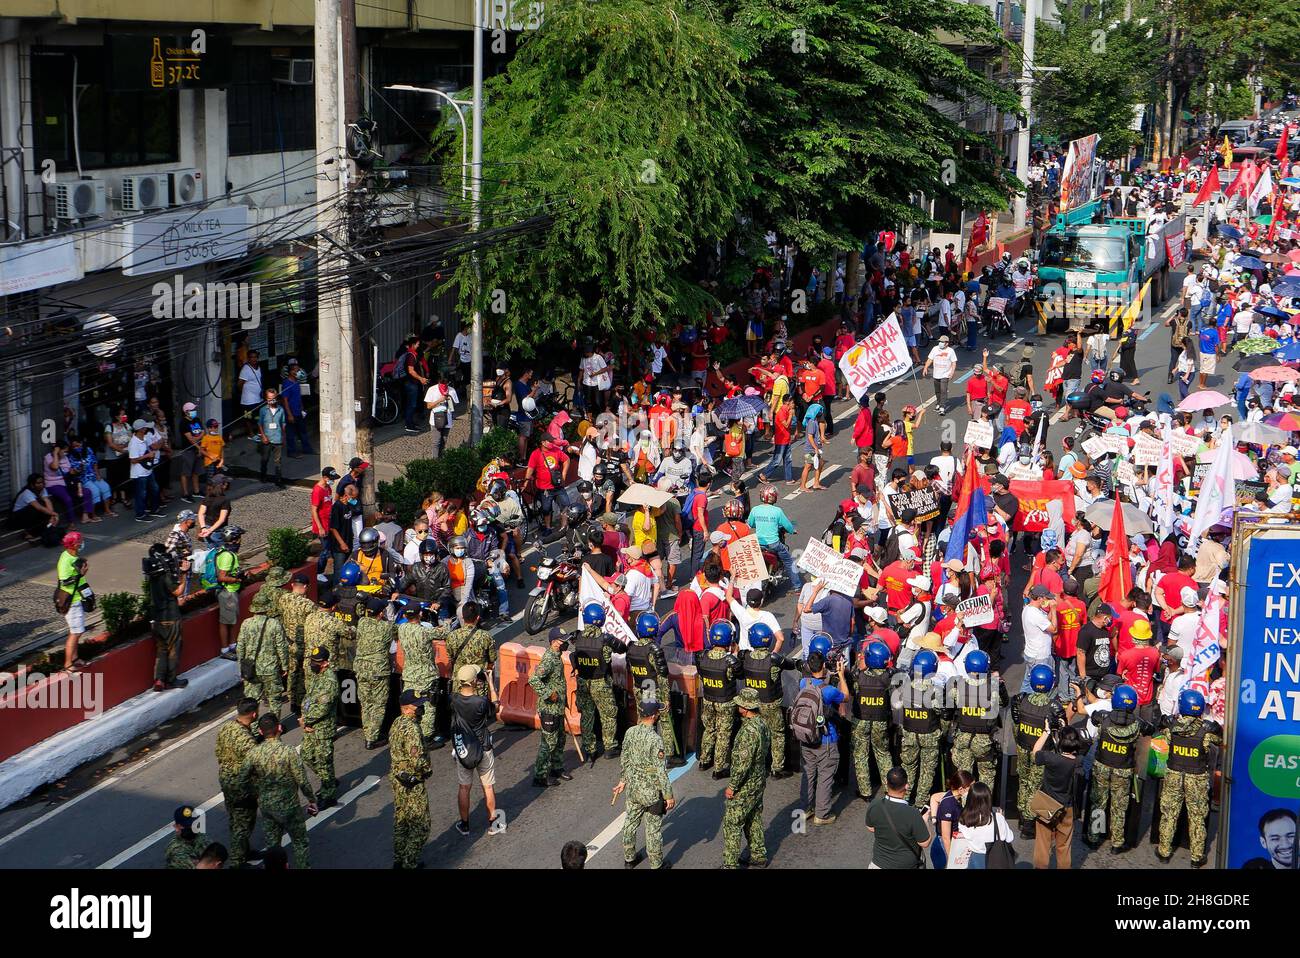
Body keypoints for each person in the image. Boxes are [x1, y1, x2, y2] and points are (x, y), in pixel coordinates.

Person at [236, 713, 318, 869]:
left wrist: (256, 793)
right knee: (300, 842)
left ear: (260, 732)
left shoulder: (254, 753)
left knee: (272, 845)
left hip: (267, 806)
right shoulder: (288, 751)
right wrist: (311, 800)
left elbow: (242, 778)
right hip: (290, 807)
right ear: (279, 728)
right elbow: (302, 780)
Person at [1155, 688, 1222, 867]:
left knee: (1169, 814)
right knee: (1197, 817)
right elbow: (1220, 737)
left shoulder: (1171, 727)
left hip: (1174, 775)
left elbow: (1159, 727)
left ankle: (1163, 851)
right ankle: (1197, 857)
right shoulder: (1206, 731)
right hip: (1197, 777)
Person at [1082, 683, 1150, 853]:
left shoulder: (1103, 718)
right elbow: (1151, 729)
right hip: (1123, 769)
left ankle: (1093, 837)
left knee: (1099, 802)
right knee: (1119, 806)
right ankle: (1117, 843)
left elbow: (1093, 717)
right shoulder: (1137, 724)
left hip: (1102, 766)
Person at [614, 698, 676, 869]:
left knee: (630, 823)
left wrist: (622, 780)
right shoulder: (655, 740)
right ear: (655, 716)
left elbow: (625, 759)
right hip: (651, 794)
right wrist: (669, 796)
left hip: (633, 789)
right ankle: (656, 864)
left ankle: (629, 859)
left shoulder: (630, 732)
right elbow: (661, 771)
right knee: (653, 829)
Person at [1010, 664, 1067, 837]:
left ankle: (1022, 815)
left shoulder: (1021, 700)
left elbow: (1016, 725)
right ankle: (1028, 825)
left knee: (1024, 782)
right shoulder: (1054, 707)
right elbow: (1063, 731)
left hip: (1022, 747)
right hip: (1042, 753)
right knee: (1035, 786)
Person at [737, 622, 798, 777]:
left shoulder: (745, 656)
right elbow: (792, 665)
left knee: (752, 735)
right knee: (777, 734)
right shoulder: (774, 660)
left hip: (752, 705)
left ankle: (754, 763)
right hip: (771, 704)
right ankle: (777, 768)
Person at [722, 688, 771, 869]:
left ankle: (730, 864)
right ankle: (758, 855)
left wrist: (732, 787)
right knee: (753, 817)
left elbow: (743, 764)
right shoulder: (762, 724)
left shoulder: (748, 731)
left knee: (732, 824)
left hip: (746, 784)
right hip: (758, 779)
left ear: (745, 707)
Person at [572, 603, 628, 762]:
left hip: (583, 681)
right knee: (608, 714)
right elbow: (622, 648)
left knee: (587, 715)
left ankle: (589, 748)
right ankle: (610, 747)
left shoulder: (577, 637)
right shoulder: (605, 639)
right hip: (600, 682)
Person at [627, 612, 683, 767]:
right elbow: (662, 676)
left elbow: (631, 670)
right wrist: (666, 699)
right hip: (653, 688)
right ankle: (670, 755)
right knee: (665, 720)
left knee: (643, 719)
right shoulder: (654, 650)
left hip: (639, 687)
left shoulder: (631, 647)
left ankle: (641, 749)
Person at [214, 698, 261, 869]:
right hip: (242, 785)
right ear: (254, 714)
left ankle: (245, 852)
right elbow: (256, 763)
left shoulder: (226, 727)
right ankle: (237, 862)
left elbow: (218, 752)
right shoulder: (246, 739)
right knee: (244, 822)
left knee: (235, 817)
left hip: (226, 779)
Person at [1031, 724, 1084, 869]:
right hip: (1067, 808)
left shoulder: (1050, 758)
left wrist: (1047, 732)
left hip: (1047, 804)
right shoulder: (1078, 761)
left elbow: (1035, 751)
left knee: (1042, 843)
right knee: (1064, 846)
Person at [389, 689, 432, 868]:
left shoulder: (397, 723)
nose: (420, 708)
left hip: (397, 778)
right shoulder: (411, 728)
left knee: (402, 821)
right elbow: (417, 759)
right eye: (417, 706)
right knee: (422, 825)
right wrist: (426, 770)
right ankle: (409, 863)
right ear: (406, 708)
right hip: (412, 781)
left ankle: (399, 860)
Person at [950, 649, 1006, 786]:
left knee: (964, 778)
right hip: (985, 741)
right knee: (986, 776)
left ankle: (964, 805)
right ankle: (983, 805)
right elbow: (1004, 703)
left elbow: (948, 709)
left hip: (963, 738)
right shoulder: (992, 688)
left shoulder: (957, 687)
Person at [898, 649, 945, 808]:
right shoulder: (936, 691)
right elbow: (941, 713)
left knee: (908, 767)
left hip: (909, 733)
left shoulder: (904, 687)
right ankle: (920, 803)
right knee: (927, 771)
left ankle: (903, 799)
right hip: (929, 735)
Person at [529, 628, 574, 787]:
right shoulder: (549, 659)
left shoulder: (557, 656)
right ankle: (540, 776)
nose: (565, 644)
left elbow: (558, 682)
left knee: (560, 739)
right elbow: (533, 680)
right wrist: (548, 693)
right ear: (554, 642)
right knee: (548, 743)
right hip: (549, 709)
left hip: (558, 707)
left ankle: (557, 767)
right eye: (562, 641)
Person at [865, 766, 933, 869]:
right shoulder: (912, 813)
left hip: (878, 864)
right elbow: (925, 842)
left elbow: (871, 828)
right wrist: (925, 820)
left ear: (886, 783)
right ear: (906, 786)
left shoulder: (875, 804)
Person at [696, 621, 740, 777]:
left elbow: (701, 673)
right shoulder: (730, 661)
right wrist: (736, 652)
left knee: (709, 730)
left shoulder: (701, 656)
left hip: (708, 699)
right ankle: (719, 768)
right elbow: (739, 674)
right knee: (723, 734)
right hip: (725, 701)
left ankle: (704, 760)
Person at [237, 589, 289, 716]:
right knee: (274, 700)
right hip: (270, 668)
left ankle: (253, 729)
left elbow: (240, 647)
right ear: (267, 607)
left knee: (252, 701)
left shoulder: (246, 624)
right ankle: (272, 725)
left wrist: (241, 668)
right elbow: (281, 647)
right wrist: (285, 665)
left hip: (251, 669)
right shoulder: (274, 623)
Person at [301, 645, 340, 808]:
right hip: (311, 725)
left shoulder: (329, 681)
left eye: (316, 661)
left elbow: (323, 708)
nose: (312, 664)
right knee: (306, 754)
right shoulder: (317, 675)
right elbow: (309, 697)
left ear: (325, 663)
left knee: (324, 761)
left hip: (322, 728)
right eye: (312, 660)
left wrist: (306, 720)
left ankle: (329, 795)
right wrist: (304, 716)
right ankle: (329, 780)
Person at [147, 545, 189, 691]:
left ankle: (159, 680)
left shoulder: (152, 575)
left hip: (156, 618)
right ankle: (171, 680)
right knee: (173, 649)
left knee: (161, 649)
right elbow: (177, 591)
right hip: (170, 617)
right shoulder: (165, 575)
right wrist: (184, 574)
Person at [354, 599, 394, 750]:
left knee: (366, 703)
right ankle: (372, 738)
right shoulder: (386, 627)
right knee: (378, 705)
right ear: (381, 613)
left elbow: (359, 609)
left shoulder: (362, 622)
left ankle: (368, 733)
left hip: (361, 669)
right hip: (378, 671)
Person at [747, 486, 801, 593]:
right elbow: (788, 526)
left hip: (757, 544)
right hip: (774, 544)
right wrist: (792, 531)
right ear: (774, 497)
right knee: (789, 562)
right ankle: (797, 586)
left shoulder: (755, 509)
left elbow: (750, 524)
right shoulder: (777, 511)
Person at [954, 781, 1011, 870]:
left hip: (975, 858)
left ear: (970, 799)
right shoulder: (997, 818)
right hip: (996, 858)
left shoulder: (963, 820)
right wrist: (1001, 818)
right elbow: (1009, 838)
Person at [56, 531, 91, 670]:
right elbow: (65, 582)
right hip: (72, 601)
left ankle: (75, 657)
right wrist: (80, 574)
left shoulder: (71, 556)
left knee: (77, 630)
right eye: (79, 541)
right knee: (75, 632)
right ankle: (68, 663)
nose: (81, 543)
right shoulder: (66, 560)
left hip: (77, 597)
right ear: (73, 545)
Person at [928, 770, 974, 868]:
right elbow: (945, 837)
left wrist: (934, 818)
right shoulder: (948, 805)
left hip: (952, 841)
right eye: (971, 787)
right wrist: (951, 859)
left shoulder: (951, 796)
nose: (973, 790)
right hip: (943, 847)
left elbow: (934, 797)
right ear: (961, 789)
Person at [212, 526, 247, 656]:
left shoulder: (225, 551)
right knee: (226, 621)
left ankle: (233, 645)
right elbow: (222, 577)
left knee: (231, 620)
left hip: (231, 591)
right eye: (239, 538)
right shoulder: (228, 556)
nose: (240, 541)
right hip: (227, 592)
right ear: (234, 539)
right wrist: (237, 580)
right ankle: (225, 650)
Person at [164, 804, 212, 869]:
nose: (192, 827)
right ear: (177, 826)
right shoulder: (176, 850)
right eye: (188, 825)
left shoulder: (199, 836)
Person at [256, 388, 286, 487]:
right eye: (269, 398)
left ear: (276, 398)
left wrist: (283, 437)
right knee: (265, 459)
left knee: (278, 461)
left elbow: (283, 424)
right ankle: (263, 476)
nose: (271, 400)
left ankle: (278, 480)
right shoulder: (263, 410)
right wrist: (263, 436)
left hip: (278, 438)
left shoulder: (281, 409)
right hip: (267, 439)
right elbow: (260, 424)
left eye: (273, 398)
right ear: (266, 398)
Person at [922, 334, 958, 412]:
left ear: (947, 343)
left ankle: (942, 406)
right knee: (937, 390)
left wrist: (952, 372)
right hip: (936, 374)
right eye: (940, 341)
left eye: (942, 342)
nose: (940, 343)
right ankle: (938, 403)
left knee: (943, 390)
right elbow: (930, 359)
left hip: (945, 374)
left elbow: (953, 362)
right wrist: (925, 368)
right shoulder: (935, 349)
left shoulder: (950, 351)